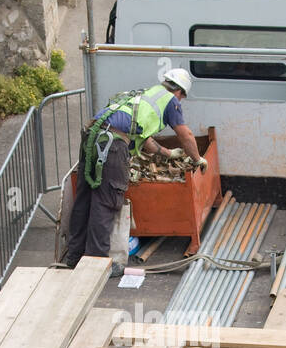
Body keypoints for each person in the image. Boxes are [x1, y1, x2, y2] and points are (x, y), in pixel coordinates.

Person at [65, 71, 206, 269]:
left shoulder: (143, 95)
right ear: (179, 92)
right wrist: (197, 159)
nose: (181, 100)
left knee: (85, 199)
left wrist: (167, 153)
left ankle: (74, 257)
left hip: (92, 136)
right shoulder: (170, 101)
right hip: (112, 145)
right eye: (183, 96)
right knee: (105, 203)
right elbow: (186, 135)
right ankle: (93, 266)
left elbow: (144, 138)